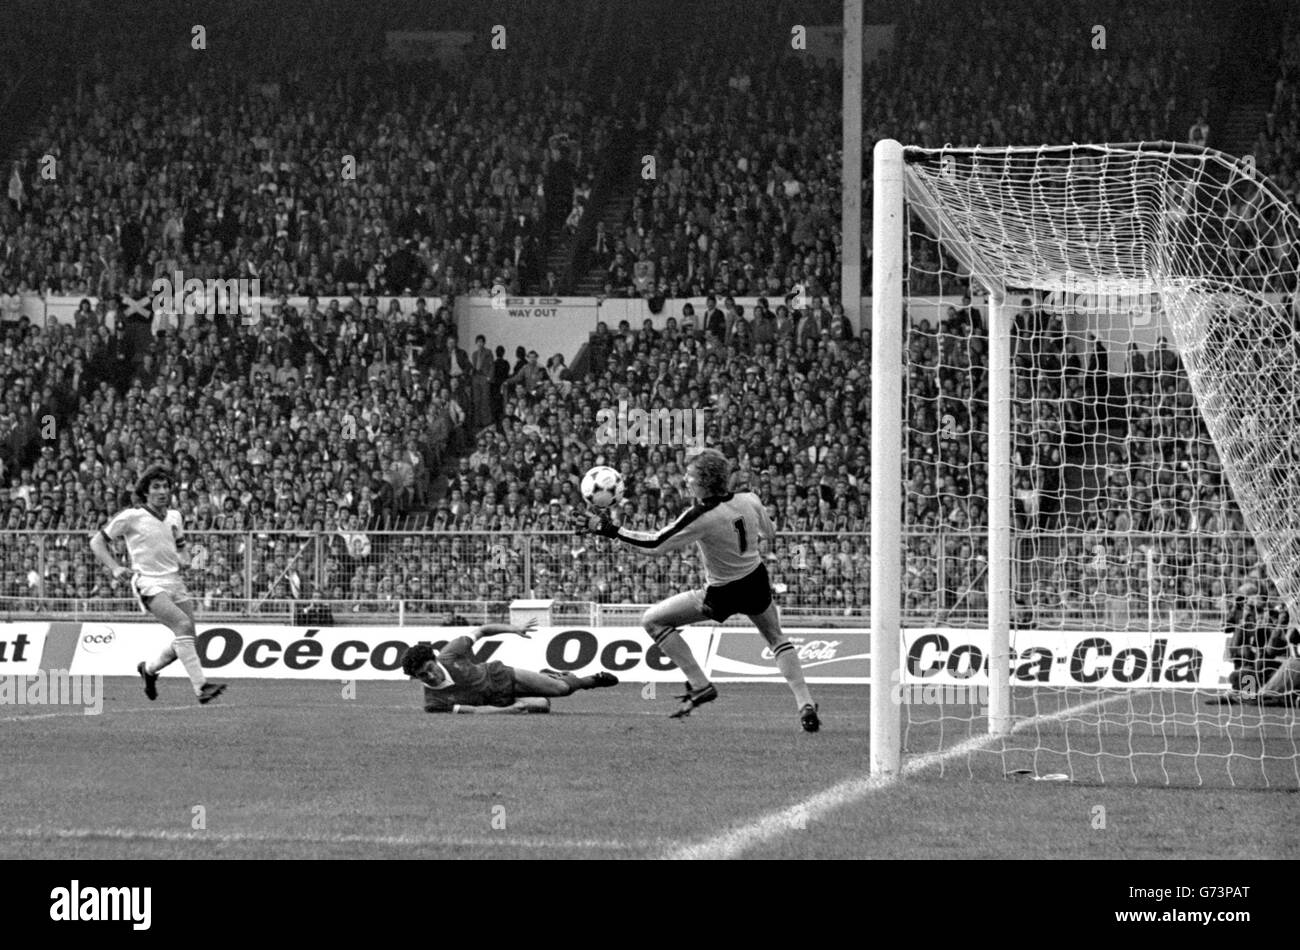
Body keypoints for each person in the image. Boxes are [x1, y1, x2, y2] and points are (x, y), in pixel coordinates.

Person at [575, 448, 821, 730]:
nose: (685, 480)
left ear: (704, 481)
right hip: (755, 580)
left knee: (653, 621)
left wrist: (610, 530)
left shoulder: (701, 515)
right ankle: (805, 703)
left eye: (690, 476)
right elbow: (771, 532)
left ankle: (700, 683)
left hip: (722, 592)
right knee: (776, 638)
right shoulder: (749, 499)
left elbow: (655, 545)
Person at [88, 464, 227, 704]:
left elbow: (181, 549)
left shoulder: (175, 516)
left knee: (188, 637)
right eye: (156, 487)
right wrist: (115, 567)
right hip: (149, 581)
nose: (163, 491)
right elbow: (96, 542)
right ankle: (201, 687)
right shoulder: (131, 516)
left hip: (175, 581)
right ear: (145, 492)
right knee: (182, 625)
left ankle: (149, 670)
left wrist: (189, 561)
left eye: (166, 486)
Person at [401, 619, 619, 713]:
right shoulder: (433, 703)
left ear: (436, 658)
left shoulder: (452, 651)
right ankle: (547, 675)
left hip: (500, 676)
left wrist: (513, 629)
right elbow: (474, 712)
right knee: (543, 705)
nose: (430, 675)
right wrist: (507, 710)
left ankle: (589, 681)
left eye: (430, 667)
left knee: (562, 689)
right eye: (422, 675)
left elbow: (483, 630)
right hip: (496, 700)